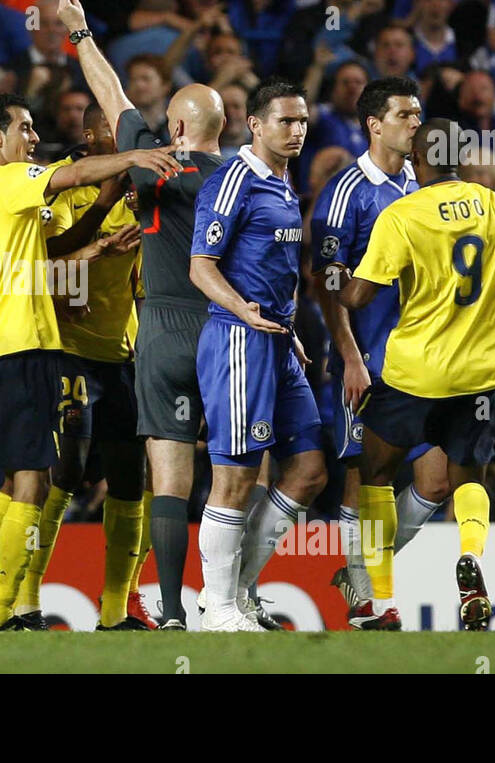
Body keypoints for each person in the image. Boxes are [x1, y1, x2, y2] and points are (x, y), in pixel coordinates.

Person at [0, 93, 179, 631]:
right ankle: (8, 603)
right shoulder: (33, 185)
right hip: (52, 347)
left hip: (112, 352)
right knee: (47, 474)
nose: (35, 138)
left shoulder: (137, 197)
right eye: (25, 128)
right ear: (94, 138)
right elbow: (52, 256)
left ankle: (114, 609)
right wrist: (95, 240)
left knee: (119, 476)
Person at [338, 117, 495, 630]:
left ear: (413, 160)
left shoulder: (402, 214)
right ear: (461, 157)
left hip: (413, 375)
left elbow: (358, 296)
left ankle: (379, 603)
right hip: (481, 375)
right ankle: (470, 557)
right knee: (468, 477)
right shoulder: (494, 204)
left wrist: (338, 277)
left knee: (377, 475)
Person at [58, 0, 231, 631]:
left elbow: (112, 96)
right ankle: (228, 599)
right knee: (237, 473)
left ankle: (175, 609)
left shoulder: (153, 163)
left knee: (169, 477)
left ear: (178, 127)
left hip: (159, 330)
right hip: (226, 327)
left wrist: (79, 32)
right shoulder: (241, 179)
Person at [309, 76, 448, 630]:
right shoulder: (347, 192)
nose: (416, 124)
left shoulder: (424, 185)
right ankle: (368, 599)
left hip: (425, 358)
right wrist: (348, 353)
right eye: (406, 115)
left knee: (436, 479)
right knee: (364, 474)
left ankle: (361, 571)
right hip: (367, 355)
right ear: (375, 124)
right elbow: (325, 279)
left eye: (418, 114)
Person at [189, 79, 327, 632]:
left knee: (311, 469)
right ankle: (219, 606)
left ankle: (236, 590)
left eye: (302, 121)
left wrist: (288, 326)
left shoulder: (284, 184)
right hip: (238, 338)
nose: (296, 131)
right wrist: (244, 311)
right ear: (256, 125)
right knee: (235, 477)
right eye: (285, 121)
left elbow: (280, 269)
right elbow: (202, 267)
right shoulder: (234, 182)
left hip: (277, 338)